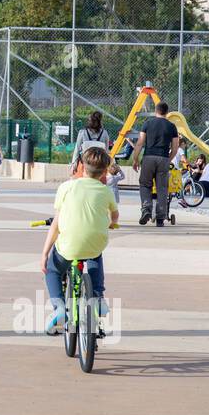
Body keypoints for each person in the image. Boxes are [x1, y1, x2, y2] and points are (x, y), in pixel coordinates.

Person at [40, 146, 118, 335]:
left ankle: (59, 307)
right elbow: (115, 216)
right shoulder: (105, 190)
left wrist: (44, 254)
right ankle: (98, 298)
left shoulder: (66, 187)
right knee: (94, 256)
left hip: (68, 245)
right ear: (104, 171)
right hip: (95, 242)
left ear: (82, 166)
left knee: (52, 270)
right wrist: (111, 224)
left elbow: (56, 224)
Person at [130, 101, 180, 227]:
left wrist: (135, 159)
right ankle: (160, 217)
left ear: (156, 111)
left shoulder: (147, 123)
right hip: (163, 158)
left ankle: (146, 209)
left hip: (148, 157)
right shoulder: (172, 126)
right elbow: (175, 148)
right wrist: (168, 159)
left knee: (145, 184)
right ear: (167, 112)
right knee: (162, 188)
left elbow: (140, 143)